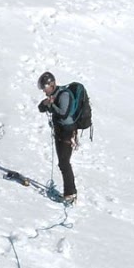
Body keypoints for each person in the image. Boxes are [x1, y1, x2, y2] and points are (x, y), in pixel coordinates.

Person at [36, 71, 81, 204]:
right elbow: (41, 108)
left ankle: (71, 193)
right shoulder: (53, 95)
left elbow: (63, 114)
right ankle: (69, 192)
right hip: (59, 132)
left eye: (45, 88)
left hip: (67, 132)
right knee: (62, 162)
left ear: (52, 84)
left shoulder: (64, 95)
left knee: (64, 163)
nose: (44, 91)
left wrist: (51, 105)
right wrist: (46, 104)